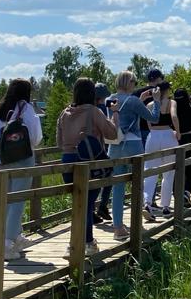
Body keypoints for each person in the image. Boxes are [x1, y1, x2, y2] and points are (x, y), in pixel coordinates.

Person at [57, 78, 117, 256]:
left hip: (68, 161)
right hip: (89, 161)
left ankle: (78, 243)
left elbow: (59, 142)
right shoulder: (94, 111)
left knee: (79, 203)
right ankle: (85, 243)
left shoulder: (64, 113)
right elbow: (112, 134)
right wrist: (115, 114)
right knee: (88, 203)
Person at [0, 79, 43, 261]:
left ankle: (16, 237)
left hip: (0, 160)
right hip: (22, 160)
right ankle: (7, 244)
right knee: (17, 201)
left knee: (6, 199)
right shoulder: (26, 109)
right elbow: (36, 137)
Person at [106, 71, 160, 240]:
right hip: (133, 144)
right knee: (137, 186)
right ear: (129, 83)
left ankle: (118, 228)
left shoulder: (110, 99)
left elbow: (116, 121)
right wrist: (156, 101)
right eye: (134, 82)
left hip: (115, 146)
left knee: (118, 188)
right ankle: (137, 223)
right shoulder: (134, 100)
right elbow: (154, 117)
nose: (135, 85)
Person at [143, 81, 180, 217]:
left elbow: (148, 121)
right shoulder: (171, 103)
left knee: (150, 171)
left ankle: (147, 203)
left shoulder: (150, 104)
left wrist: (153, 131)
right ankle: (165, 206)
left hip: (153, 136)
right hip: (168, 135)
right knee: (168, 173)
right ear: (167, 90)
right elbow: (174, 116)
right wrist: (178, 132)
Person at [173, 89, 191, 208]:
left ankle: (177, 194)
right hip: (189, 138)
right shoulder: (190, 108)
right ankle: (186, 191)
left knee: (175, 168)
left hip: (175, 138)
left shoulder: (173, 108)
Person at [92, 83, 112, 224]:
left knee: (92, 182)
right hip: (101, 149)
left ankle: (92, 210)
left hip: (86, 150)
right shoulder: (103, 110)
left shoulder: (87, 109)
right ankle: (103, 205)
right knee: (107, 177)